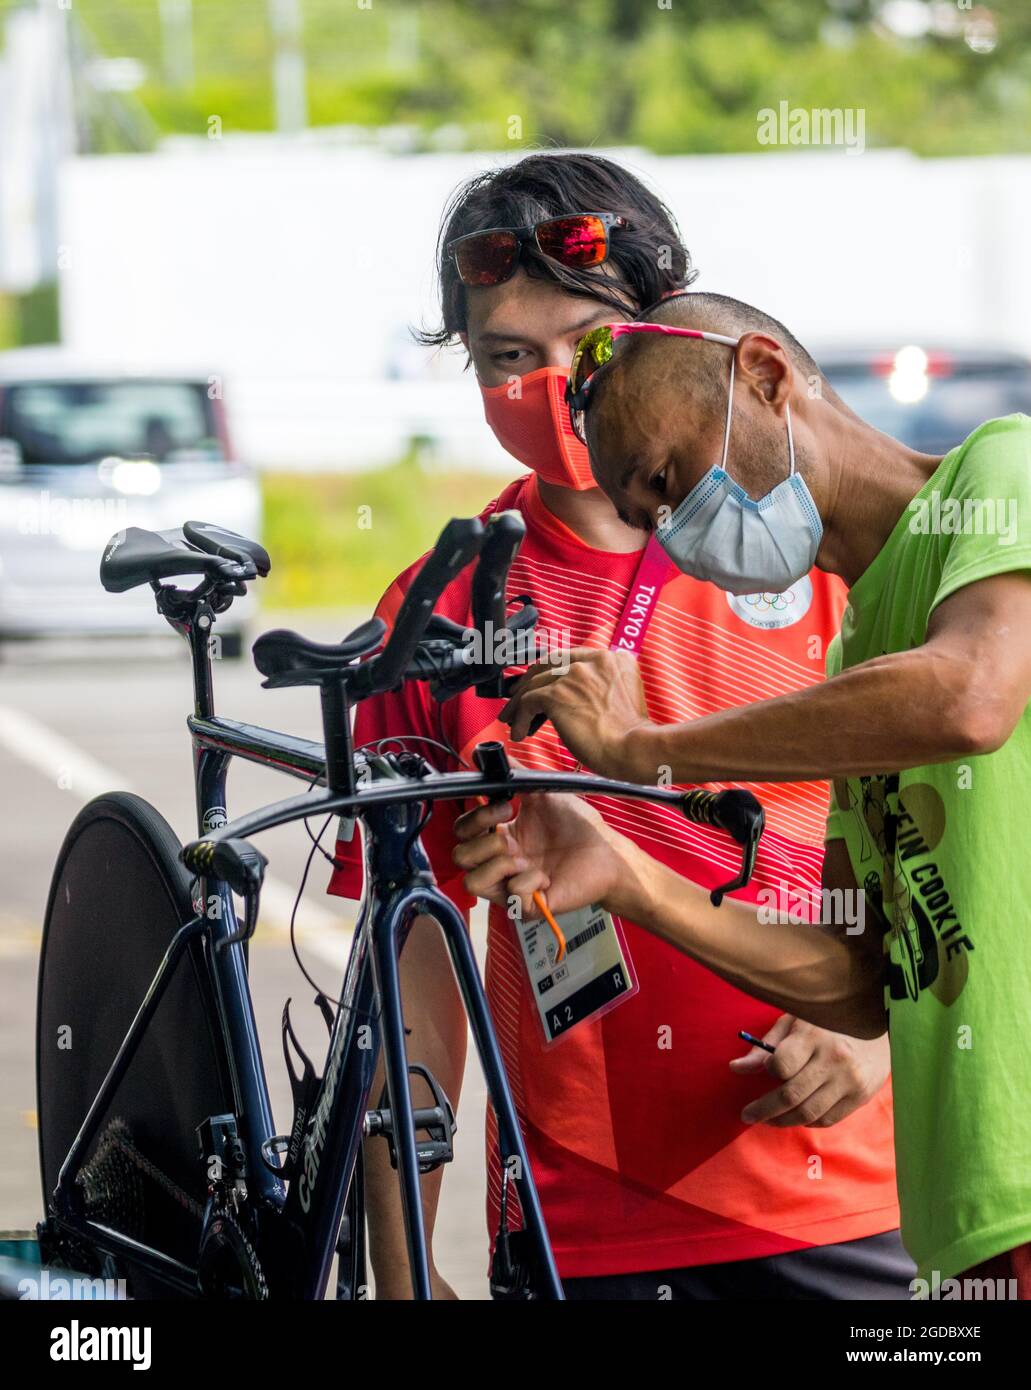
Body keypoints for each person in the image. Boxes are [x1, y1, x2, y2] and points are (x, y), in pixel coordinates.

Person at [330, 155, 909, 1300]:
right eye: (507, 357)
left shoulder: (810, 551)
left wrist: (875, 1035)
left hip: (861, 1191)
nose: (550, 388)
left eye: (585, 350)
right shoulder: (433, 610)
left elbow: (967, 856)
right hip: (582, 1224)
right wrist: (398, 1260)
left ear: (666, 335)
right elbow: (415, 962)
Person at [461, 290, 1031, 1295]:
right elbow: (862, 984)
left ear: (764, 378)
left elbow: (971, 695)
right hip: (966, 1221)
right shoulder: (860, 643)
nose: (676, 535)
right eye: (646, 520)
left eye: (669, 481)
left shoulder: (999, 473)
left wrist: (651, 752)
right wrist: (630, 878)